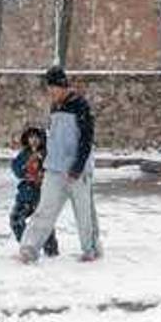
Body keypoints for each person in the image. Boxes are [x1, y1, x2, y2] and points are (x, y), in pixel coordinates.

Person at [19, 66, 101, 263]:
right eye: (49, 90)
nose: (51, 93)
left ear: (62, 86)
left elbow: (86, 138)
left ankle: (90, 249)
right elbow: (55, 137)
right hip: (54, 168)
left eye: (53, 89)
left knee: (84, 212)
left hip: (77, 171)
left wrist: (78, 166)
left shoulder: (80, 105)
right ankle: (29, 248)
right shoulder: (55, 107)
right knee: (44, 209)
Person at [10, 126, 58, 256]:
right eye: (31, 137)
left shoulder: (48, 154)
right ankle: (27, 245)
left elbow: (53, 169)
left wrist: (42, 172)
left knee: (44, 223)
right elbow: (16, 169)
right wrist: (26, 172)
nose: (34, 140)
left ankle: (51, 250)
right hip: (25, 194)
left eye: (36, 137)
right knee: (16, 219)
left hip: (42, 193)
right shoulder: (24, 154)